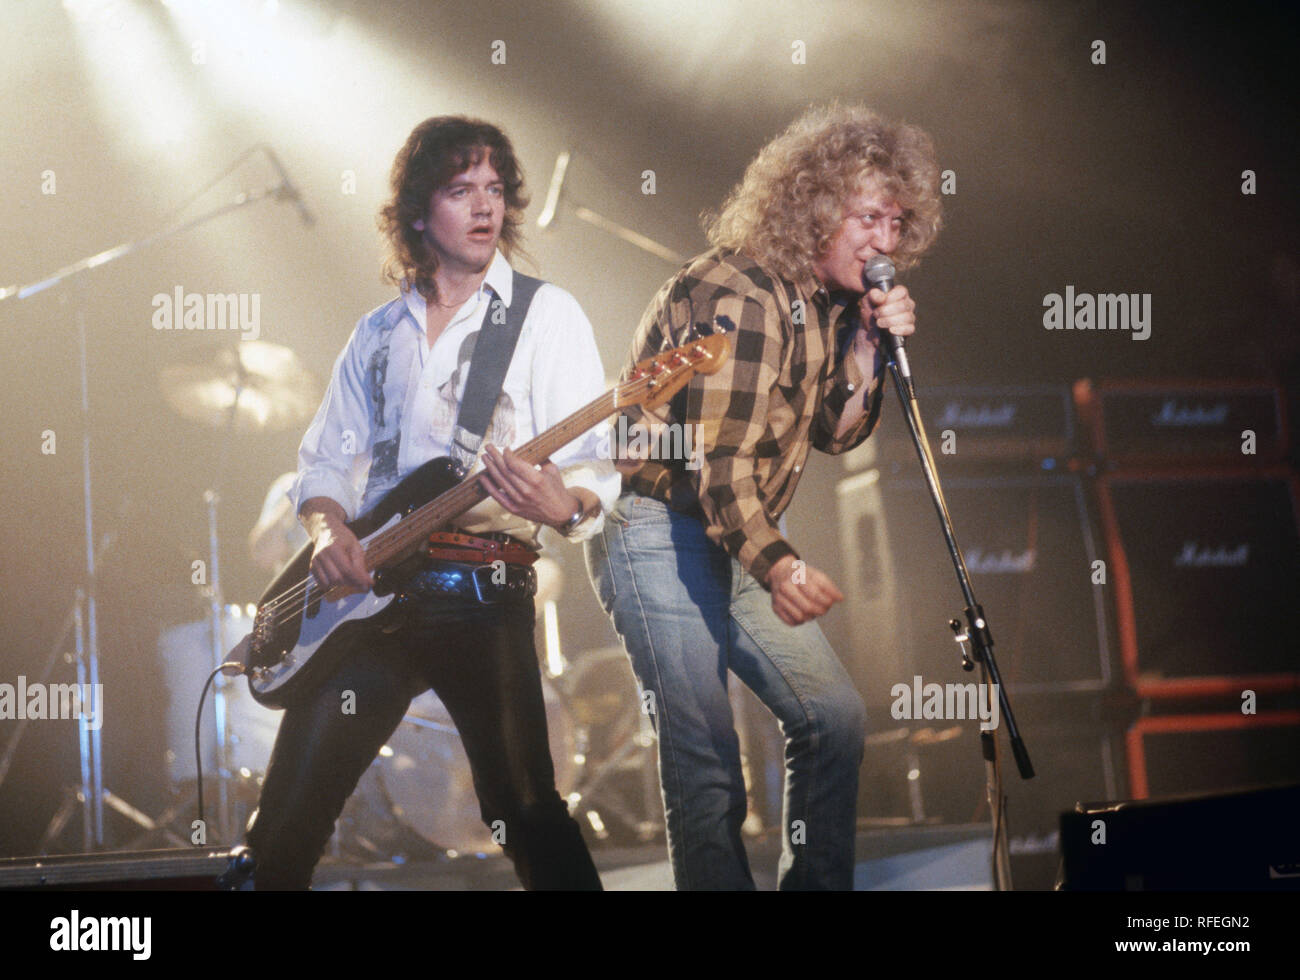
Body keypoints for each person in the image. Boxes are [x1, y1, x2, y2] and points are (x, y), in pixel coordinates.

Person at [245, 115, 619, 890]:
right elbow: (325, 460)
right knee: (285, 820)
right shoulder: (376, 334)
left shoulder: (545, 316)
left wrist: (563, 503)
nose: (486, 208)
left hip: (481, 588)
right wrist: (325, 530)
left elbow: (593, 470)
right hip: (368, 603)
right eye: (461, 190)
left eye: (494, 190)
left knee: (524, 809)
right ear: (418, 213)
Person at [584, 103, 943, 890]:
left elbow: (837, 435)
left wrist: (869, 350)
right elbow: (718, 462)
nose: (887, 242)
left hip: (734, 531)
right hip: (656, 526)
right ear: (813, 205)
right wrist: (780, 566)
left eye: (898, 221)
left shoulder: (825, 307)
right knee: (706, 760)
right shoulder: (738, 292)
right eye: (869, 217)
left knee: (834, 720)